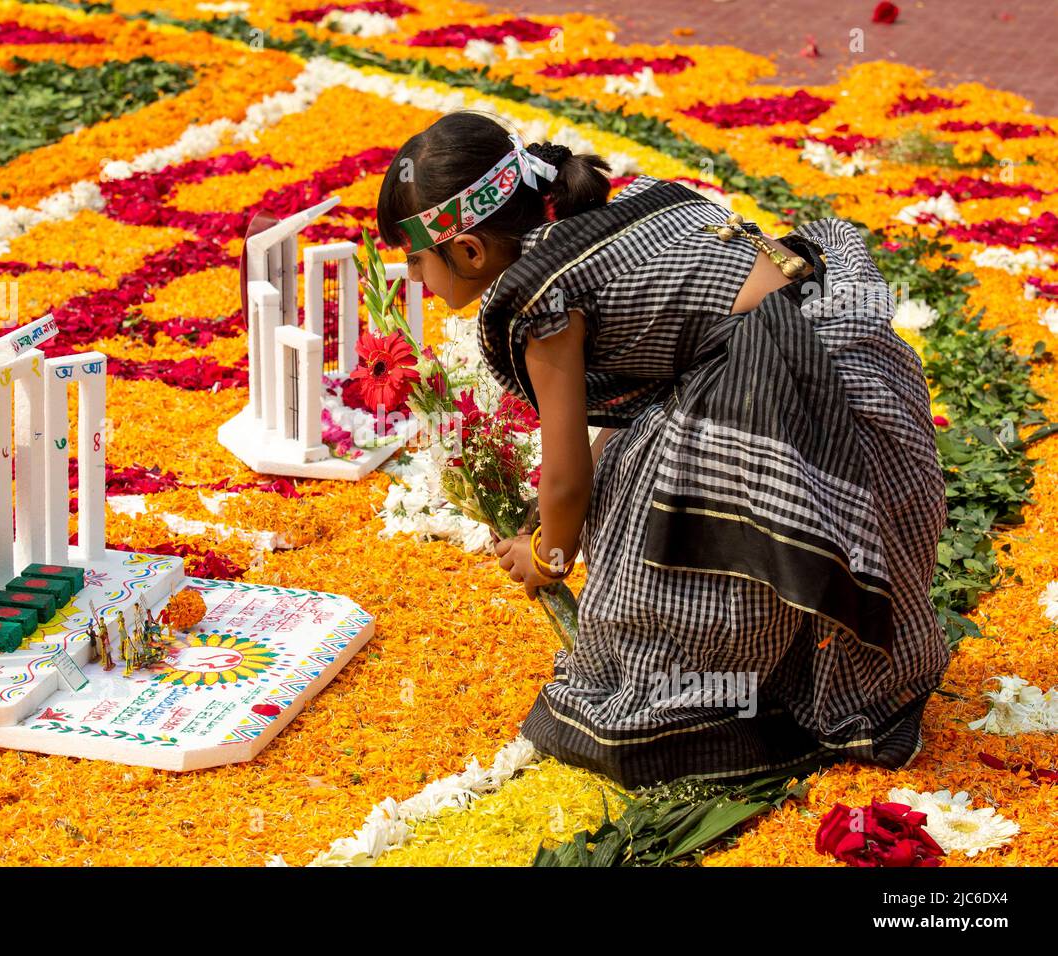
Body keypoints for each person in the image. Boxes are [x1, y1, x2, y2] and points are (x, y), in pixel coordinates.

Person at [376, 110, 950, 787]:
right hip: (854, 366)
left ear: (469, 253)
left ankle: (717, 713)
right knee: (636, 456)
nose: (412, 280)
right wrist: (559, 512)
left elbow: (565, 480)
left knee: (654, 546)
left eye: (415, 262)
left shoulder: (538, 300)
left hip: (785, 404)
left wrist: (548, 557)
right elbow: (649, 384)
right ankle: (822, 675)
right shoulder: (617, 217)